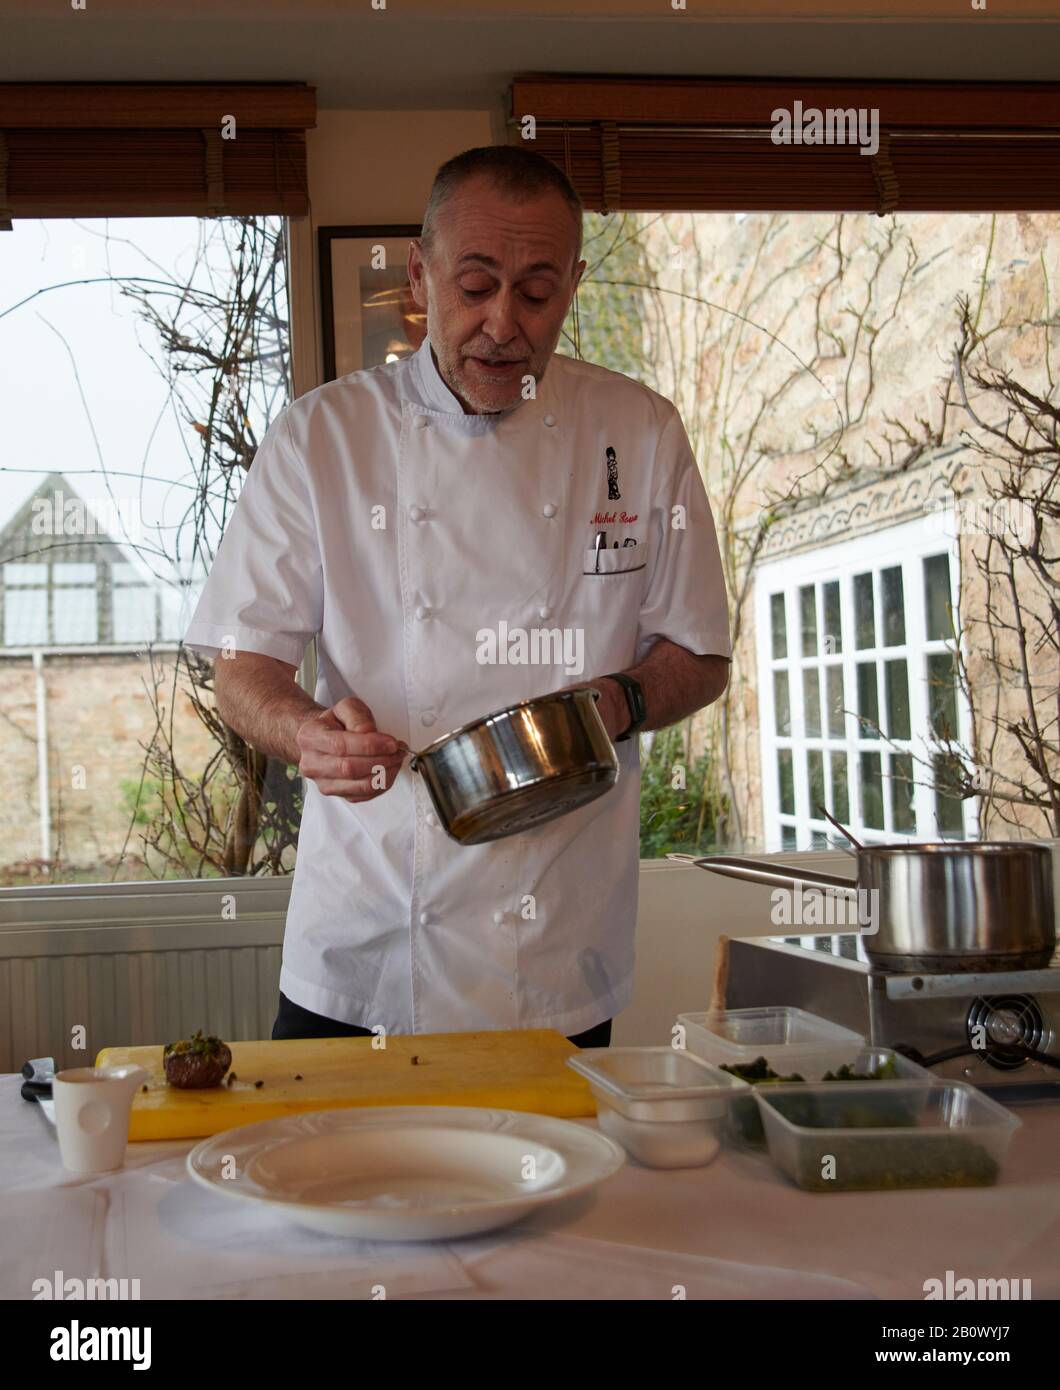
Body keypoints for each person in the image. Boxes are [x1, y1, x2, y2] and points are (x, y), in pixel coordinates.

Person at [183, 144, 731, 1048]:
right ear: (419, 273)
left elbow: (699, 651)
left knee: (546, 1190)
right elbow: (243, 666)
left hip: (554, 940)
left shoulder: (640, 433)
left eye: (537, 291)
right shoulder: (323, 439)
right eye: (475, 286)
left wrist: (622, 701)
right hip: (362, 936)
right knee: (323, 1185)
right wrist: (306, 734)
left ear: (576, 284)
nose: (502, 323)